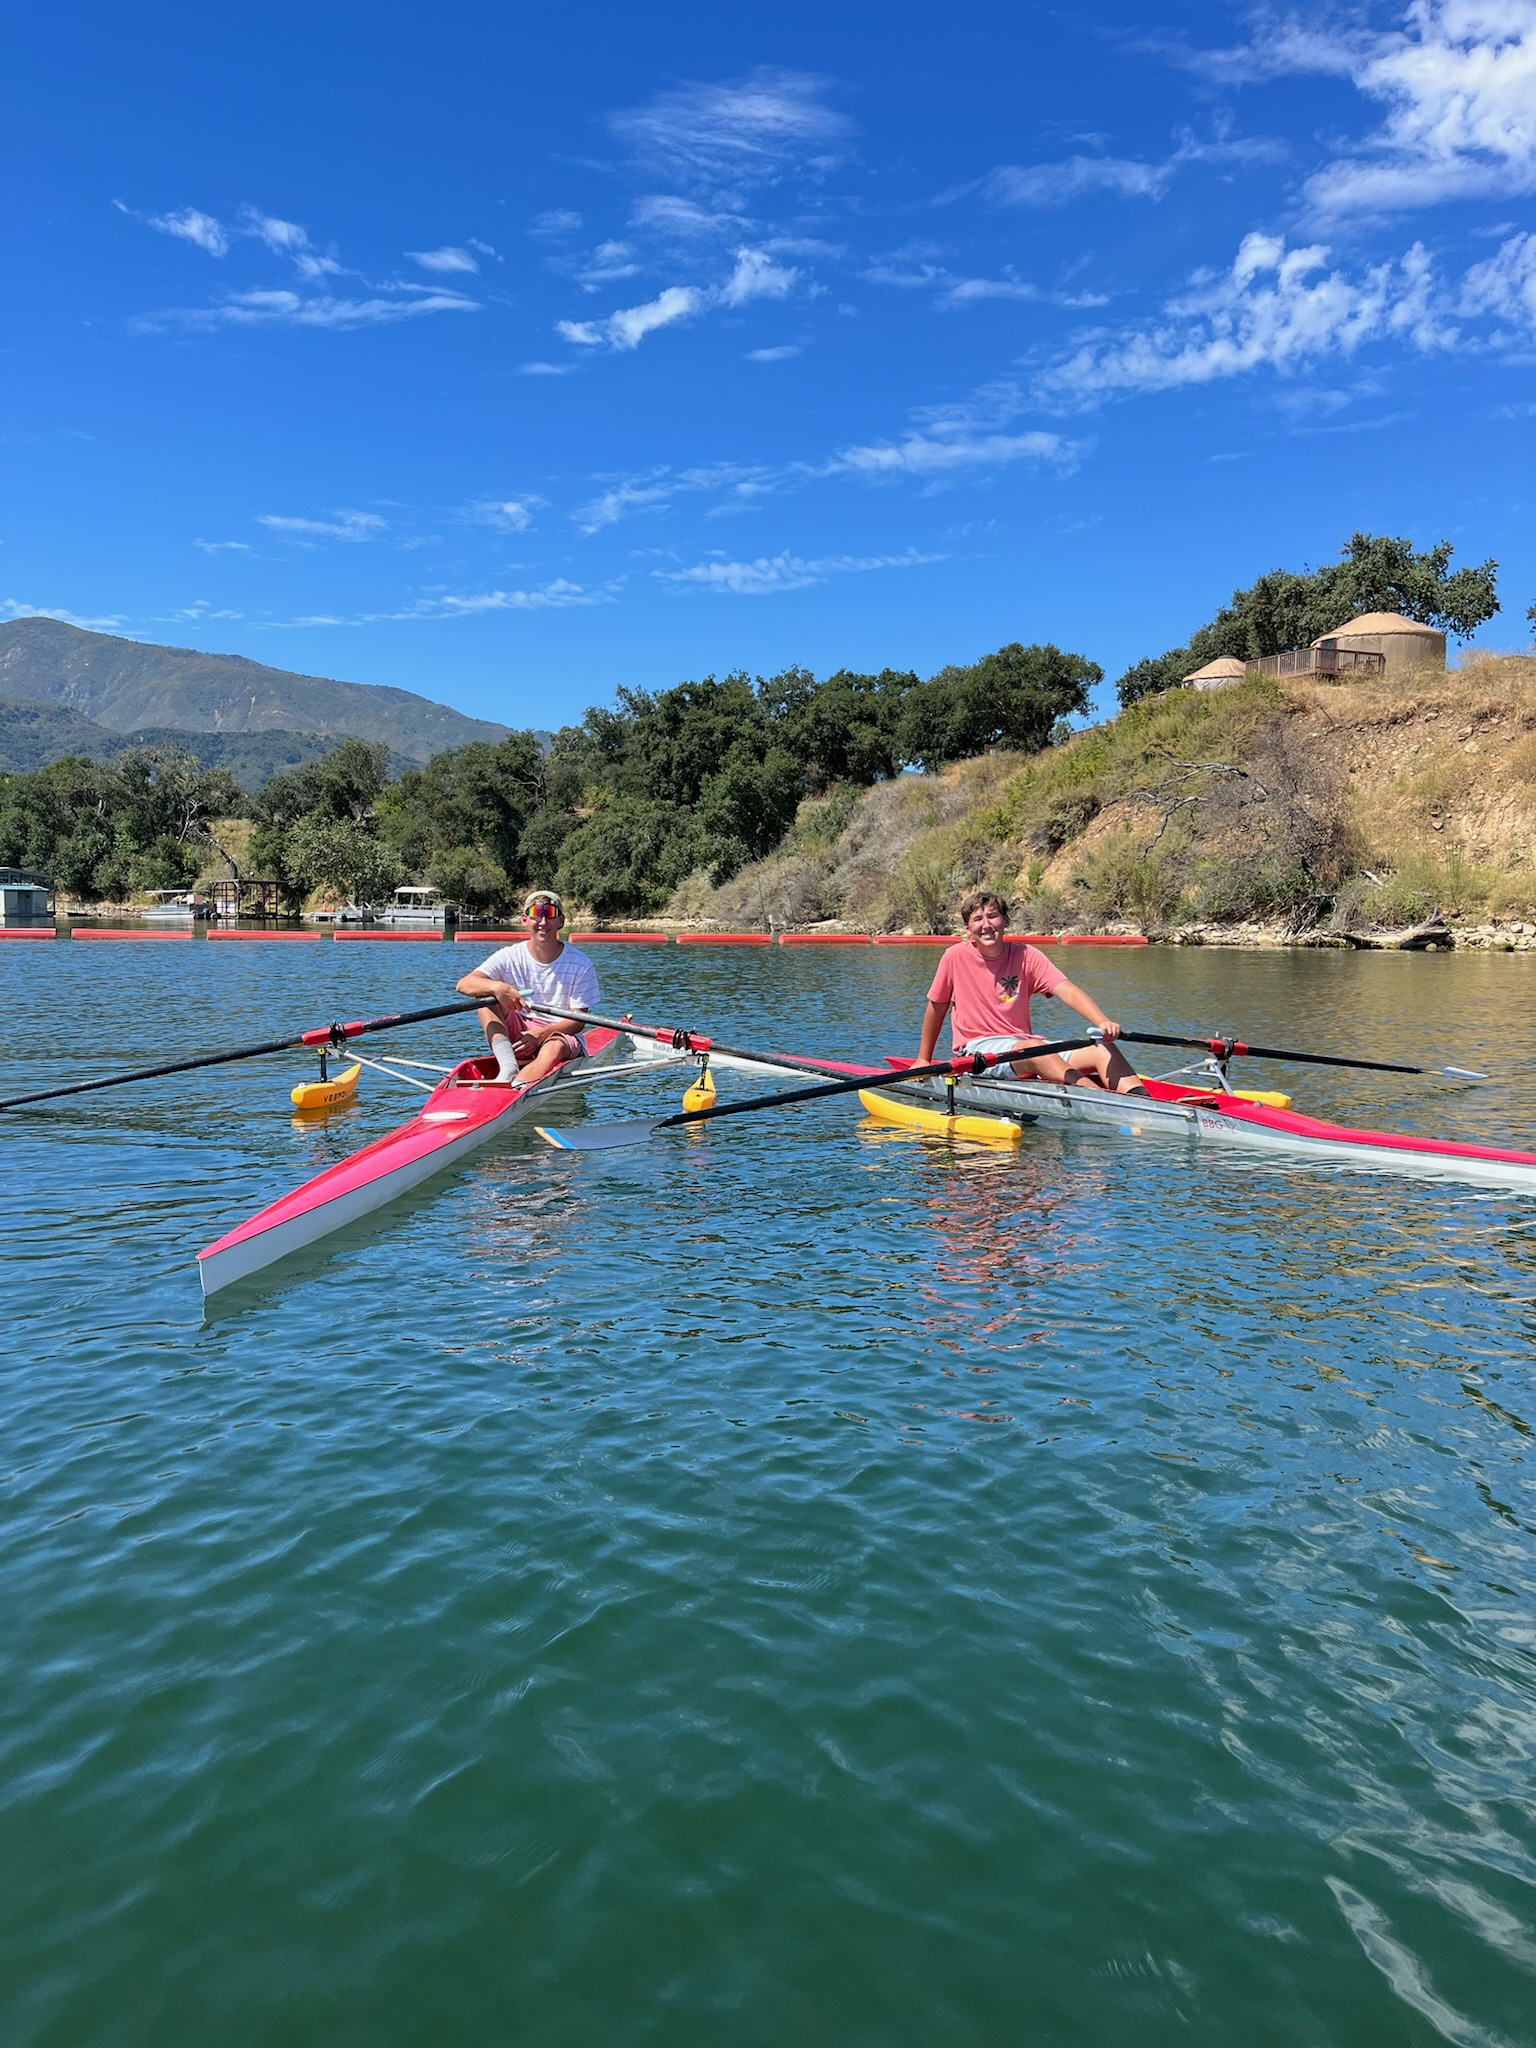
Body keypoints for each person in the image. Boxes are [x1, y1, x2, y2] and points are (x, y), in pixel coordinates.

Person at [917, 890, 1147, 1094]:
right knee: (1035, 1050)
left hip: (1024, 1044)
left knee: (1101, 1048)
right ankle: (1098, 1097)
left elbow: (1067, 990)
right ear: (968, 929)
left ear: (1005, 921)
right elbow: (936, 1008)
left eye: (992, 916)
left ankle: (1143, 1101)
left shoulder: (1027, 955)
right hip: (979, 1051)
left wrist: (1103, 1022)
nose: (986, 925)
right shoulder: (954, 957)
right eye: (977, 919)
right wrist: (923, 1059)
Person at [455, 889, 602, 1088]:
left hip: (560, 1035)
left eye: (549, 915)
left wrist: (540, 1034)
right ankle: (508, 1067)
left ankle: (517, 1087)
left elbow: (578, 1022)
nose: (543, 922)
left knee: (553, 1048)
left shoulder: (581, 964)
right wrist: (497, 987)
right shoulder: (509, 956)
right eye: (536, 915)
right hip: (520, 1029)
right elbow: (464, 984)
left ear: (561, 921)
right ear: (525, 920)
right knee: (484, 999)